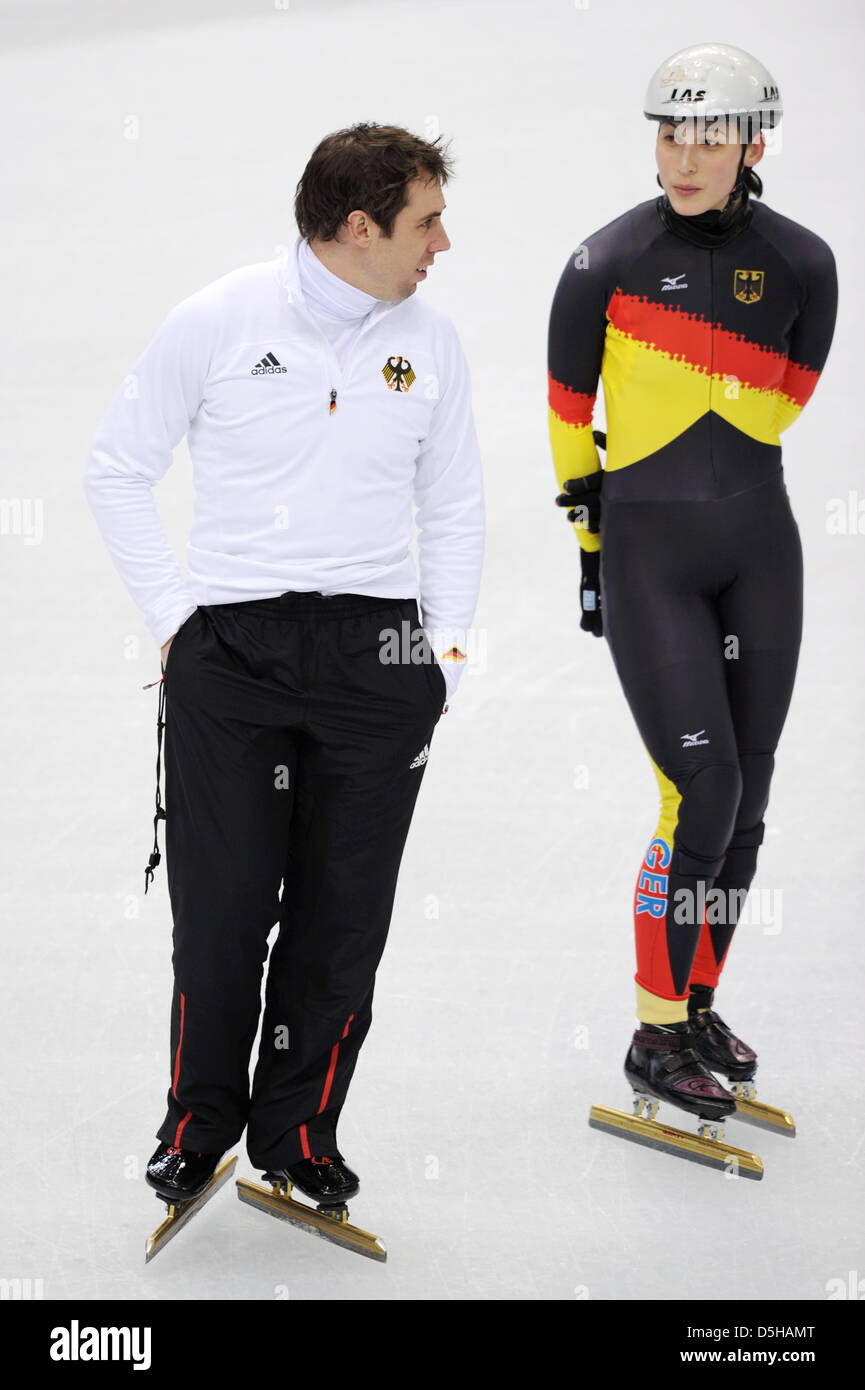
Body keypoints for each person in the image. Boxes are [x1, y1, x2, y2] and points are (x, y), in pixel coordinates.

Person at [84, 122, 484, 1213]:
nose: (441, 242)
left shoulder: (429, 342)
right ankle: (198, 1123)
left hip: (377, 659)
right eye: (424, 220)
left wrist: (438, 660)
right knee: (219, 916)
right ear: (358, 228)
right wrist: (180, 620)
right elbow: (116, 467)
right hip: (237, 656)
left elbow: (452, 504)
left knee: (341, 918)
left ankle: (299, 1130)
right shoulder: (216, 320)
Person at [547, 44, 837, 1124]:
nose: (682, 154)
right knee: (699, 790)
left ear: (752, 142)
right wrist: (591, 549)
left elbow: (788, 395)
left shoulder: (806, 263)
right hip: (648, 556)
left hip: (761, 547)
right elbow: (566, 413)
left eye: (707, 135)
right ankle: (651, 1031)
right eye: (668, 132)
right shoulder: (602, 261)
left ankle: (696, 1000)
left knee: (749, 797)